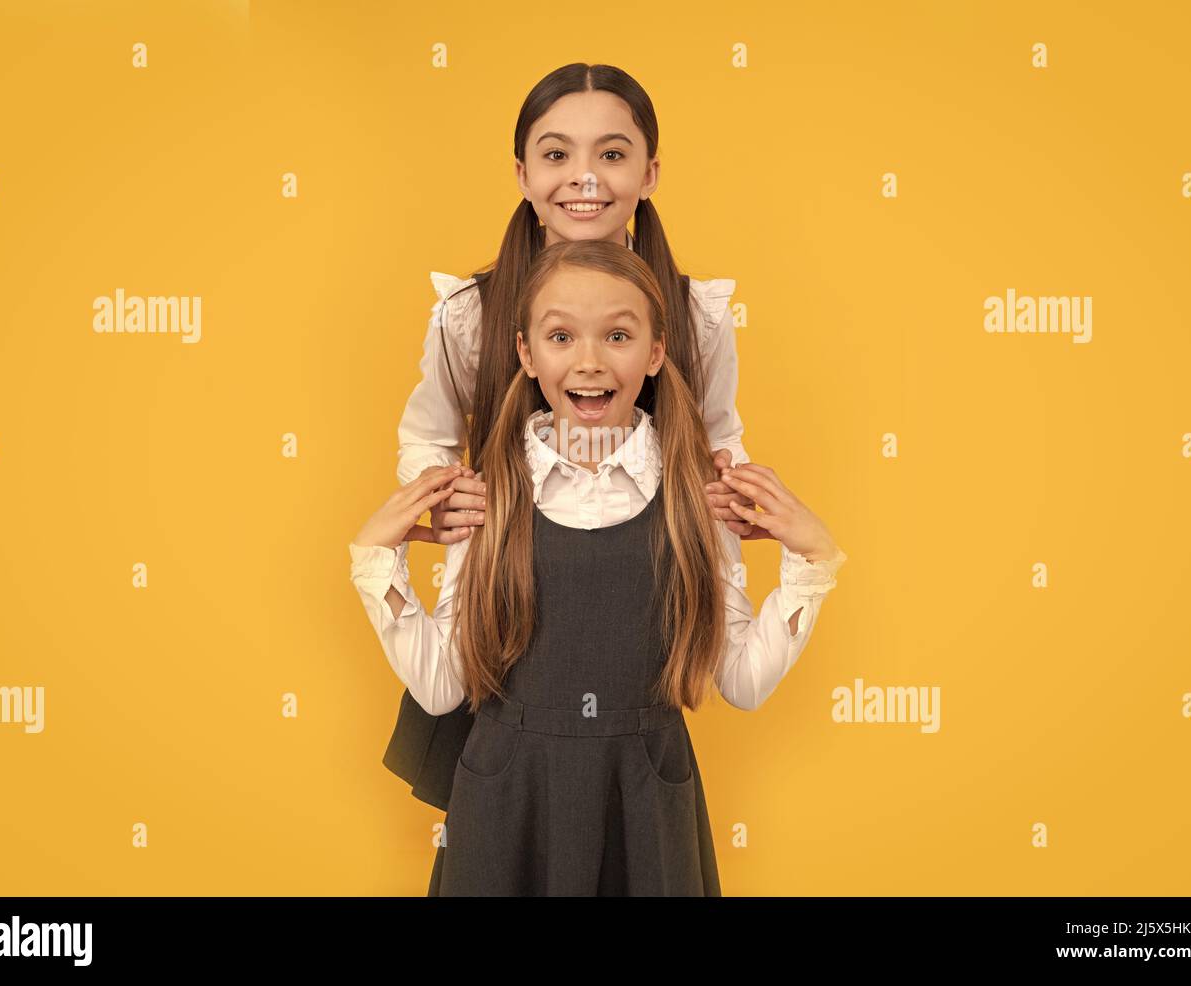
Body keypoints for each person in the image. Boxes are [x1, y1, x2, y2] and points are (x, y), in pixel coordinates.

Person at [350, 239, 846, 894]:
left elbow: (743, 683)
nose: (589, 360)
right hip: (507, 801)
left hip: (643, 799)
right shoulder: (489, 494)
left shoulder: (696, 496)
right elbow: (443, 688)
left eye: (618, 334)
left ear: (656, 351)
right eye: (561, 336)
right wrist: (378, 565)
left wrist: (812, 561)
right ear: (527, 354)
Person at [380, 62, 765, 811]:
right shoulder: (470, 312)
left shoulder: (696, 316)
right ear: (523, 173)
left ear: (650, 172)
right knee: (505, 838)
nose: (584, 177)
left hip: (631, 608)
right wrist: (442, 497)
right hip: (512, 609)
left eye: (611, 154)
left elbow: (721, 437)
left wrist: (735, 496)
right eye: (557, 155)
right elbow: (426, 437)